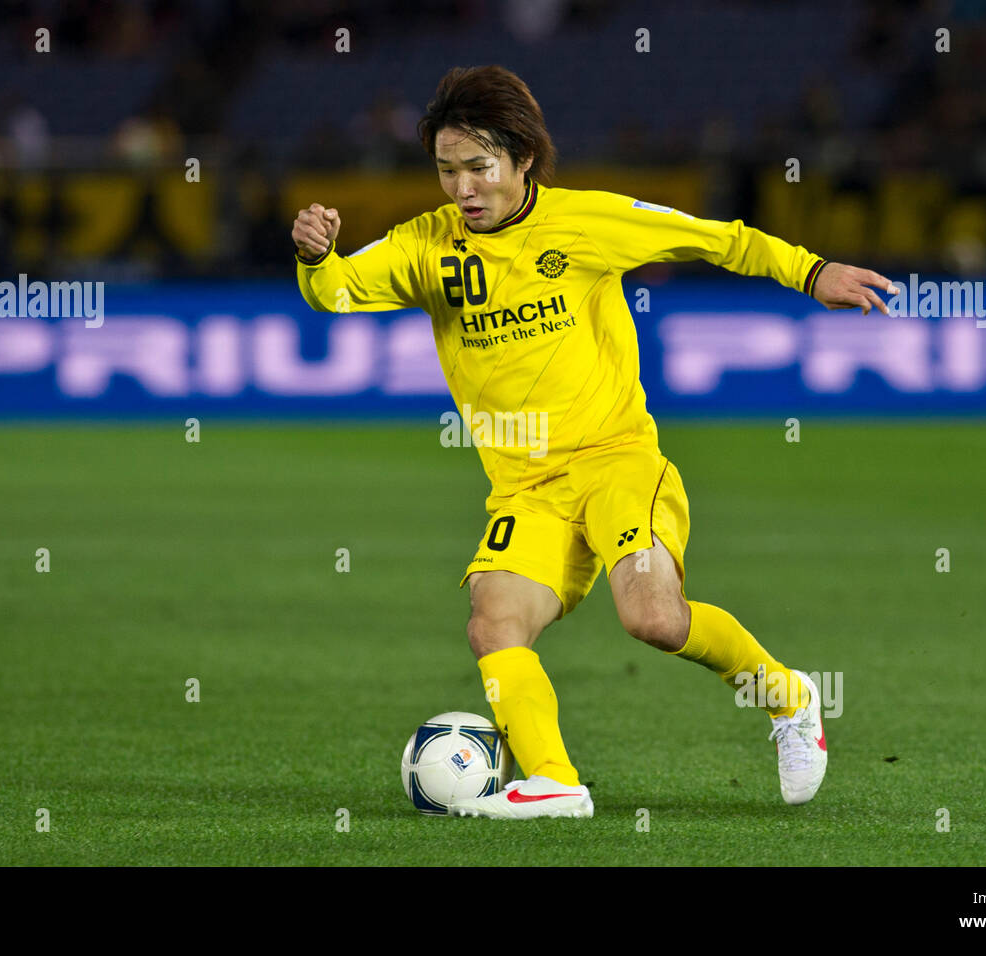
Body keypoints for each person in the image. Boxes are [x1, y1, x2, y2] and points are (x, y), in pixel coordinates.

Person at [292, 65, 896, 819]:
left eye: (478, 168)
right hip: (526, 489)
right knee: (494, 623)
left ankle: (789, 697)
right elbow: (338, 293)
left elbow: (716, 240)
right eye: (447, 171)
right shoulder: (427, 246)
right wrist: (316, 257)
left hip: (616, 461)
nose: (462, 189)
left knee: (654, 619)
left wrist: (813, 272)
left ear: (522, 159)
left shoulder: (587, 222)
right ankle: (553, 780)